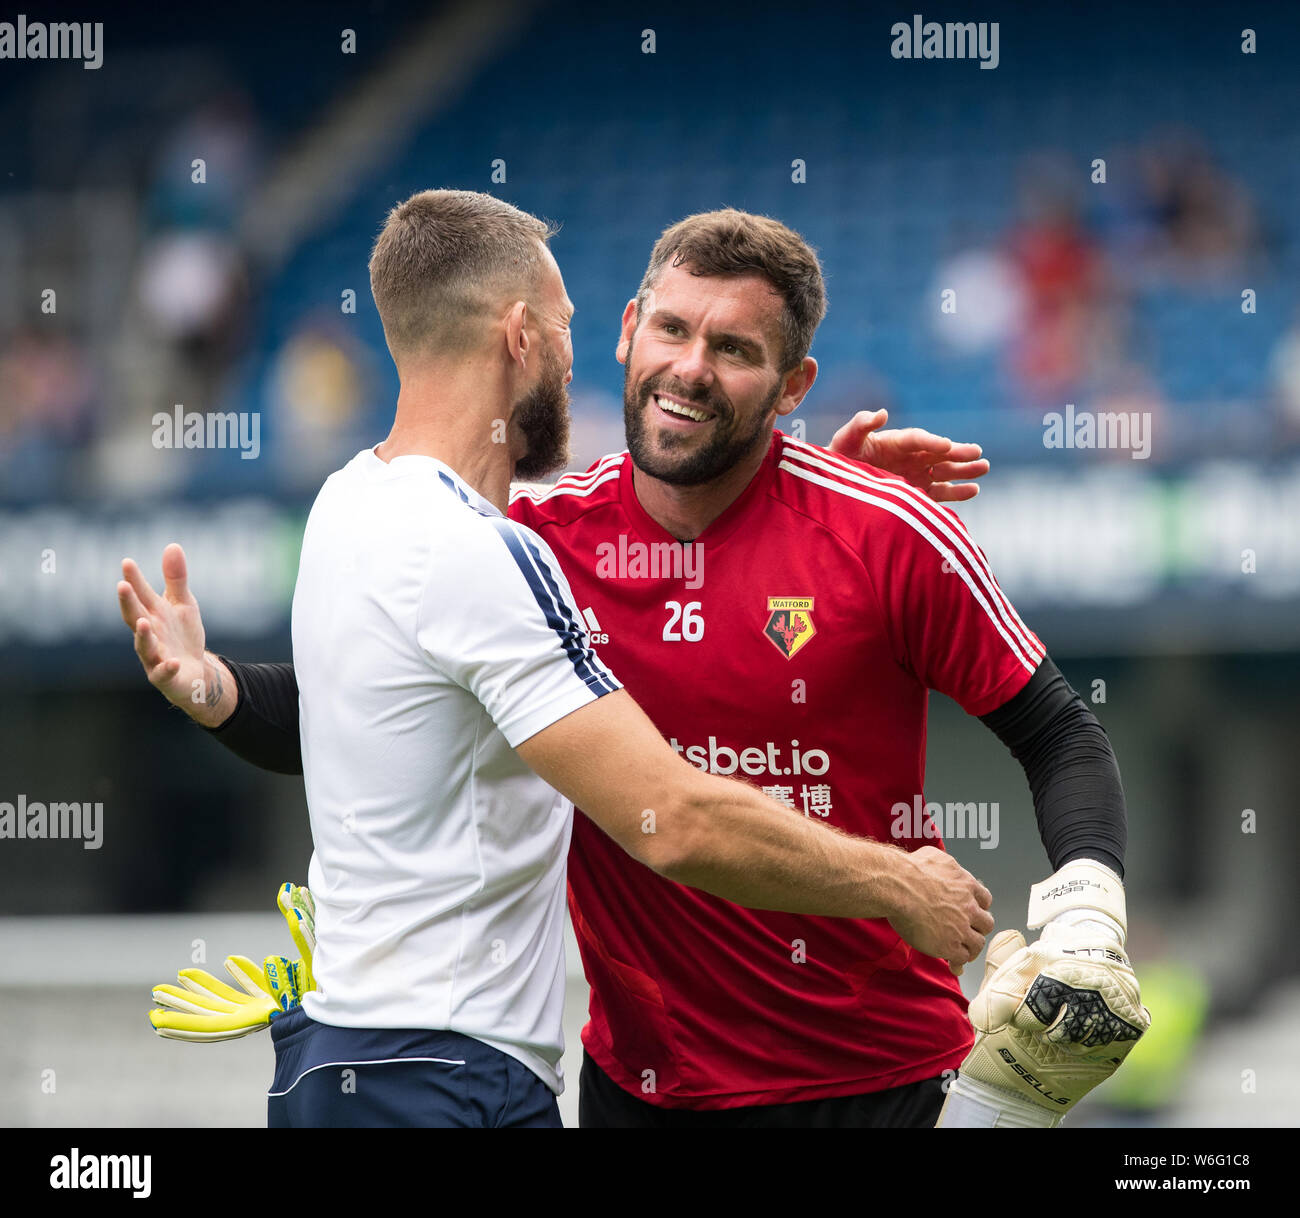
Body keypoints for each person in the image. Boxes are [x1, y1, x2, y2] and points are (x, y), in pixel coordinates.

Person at [127, 202, 1142, 1129]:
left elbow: (1057, 731)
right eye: (672, 329)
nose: (691, 366)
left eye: (735, 349)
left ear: (791, 387)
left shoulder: (885, 530)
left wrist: (1089, 906)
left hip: (877, 1080)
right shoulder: (532, 543)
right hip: (642, 1093)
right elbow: (363, 712)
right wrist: (216, 692)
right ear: (624, 332)